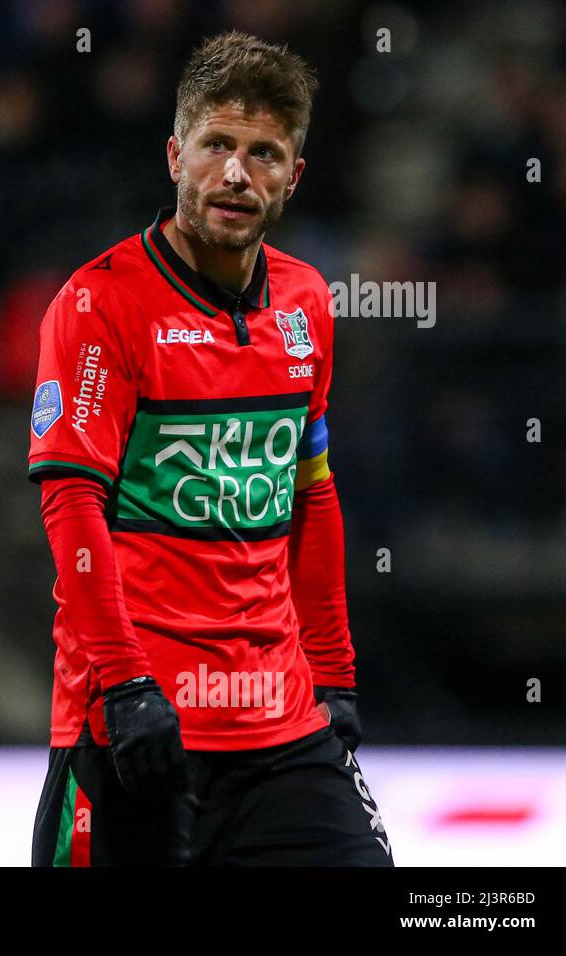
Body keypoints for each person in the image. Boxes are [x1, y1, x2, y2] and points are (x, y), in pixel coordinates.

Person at [28, 31, 392, 866]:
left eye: (264, 153)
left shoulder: (305, 301)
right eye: (217, 146)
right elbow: (71, 503)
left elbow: (312, 494)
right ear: (174, 156)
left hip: (283, 725)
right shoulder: (99, 305)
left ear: (293, 175)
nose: (237, 173)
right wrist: (123, 684)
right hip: (136, 726)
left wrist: (333, 669)